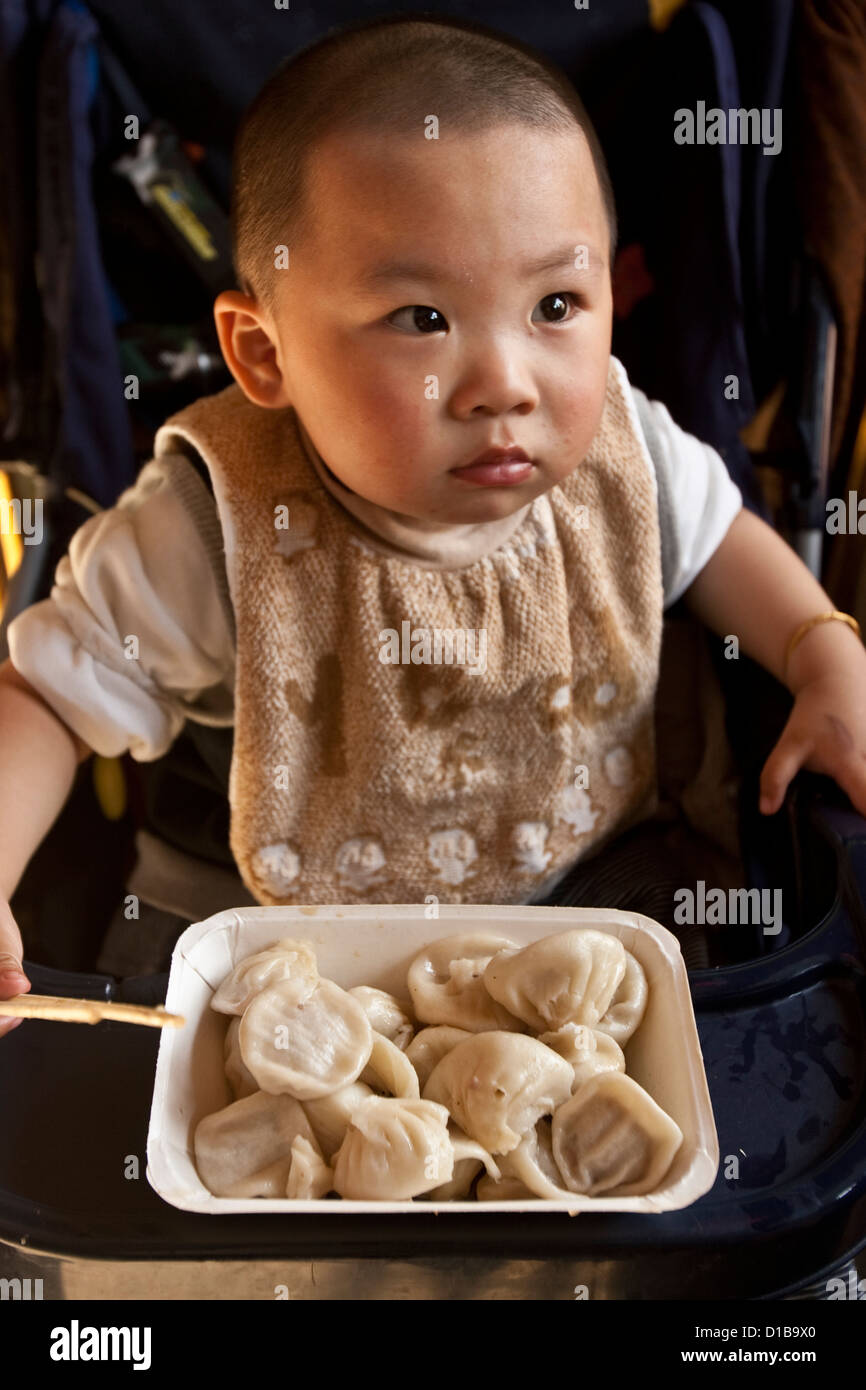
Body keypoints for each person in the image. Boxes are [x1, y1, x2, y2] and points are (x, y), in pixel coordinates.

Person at [1, 14, 864, 1036]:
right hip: (269, 928)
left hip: (584, 890)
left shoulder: (622, 455)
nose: (504, 383)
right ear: (262, 352)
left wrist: (822, 656)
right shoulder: (211, 522)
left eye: (553, 303)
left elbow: (720, 542)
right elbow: (48, 697)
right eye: (421, 319)